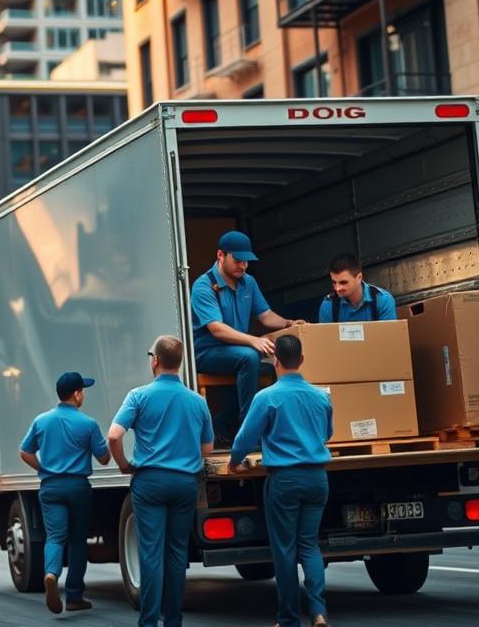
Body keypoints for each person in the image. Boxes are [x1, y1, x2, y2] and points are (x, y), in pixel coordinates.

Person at [107, 336, 214, 627]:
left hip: (150, 482)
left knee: (151, 553)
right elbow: (207, 449)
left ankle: (149, 621)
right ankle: (174, 621)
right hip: (184, 484)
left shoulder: (138, 396)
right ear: (178, 362)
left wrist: (124, 464)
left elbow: (114, 436)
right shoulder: (197, 401)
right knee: (177, 553)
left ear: (155, 360)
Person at [230, 334, 332, 627]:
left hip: (285, 480)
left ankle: (288, 619)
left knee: (285, 549)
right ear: (301, 360)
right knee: (310, 546)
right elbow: (327, 434)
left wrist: (236, 463)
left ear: (274, 361)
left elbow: (243, 439)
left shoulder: (266, 397)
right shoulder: (321, 397)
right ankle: (319, 612)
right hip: (317, 478)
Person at [191, 230, 304, 442]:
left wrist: (288, 323)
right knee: (249, 357)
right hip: (207, 352)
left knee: (268, 368)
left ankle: (224, 423)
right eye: (238, 260)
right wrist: (254, 340)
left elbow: (266, 316)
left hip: (237, 352)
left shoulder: (248, 282)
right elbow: (217, 329)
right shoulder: (203, 286)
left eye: (247, 262)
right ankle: (249, 430)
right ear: (221, 255)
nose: (243, 266)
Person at [20, 371, 111, 613]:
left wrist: (43, 467)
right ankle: (73, 597)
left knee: (55, 537)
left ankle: (51, 573)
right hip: (78, 487)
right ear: (77, 394)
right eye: (84, 391)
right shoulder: (88, 423)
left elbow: (25, 452)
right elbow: (103, 458)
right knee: (77, 541)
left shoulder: (41, 421)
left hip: (50, 486)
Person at [317, 252, 397, 323]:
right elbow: (326, 339)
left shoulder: (382, 300)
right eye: (334, 282)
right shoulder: (328, 305)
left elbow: (388, 338)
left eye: (343, 282)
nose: (337, 288)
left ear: (359, 277)